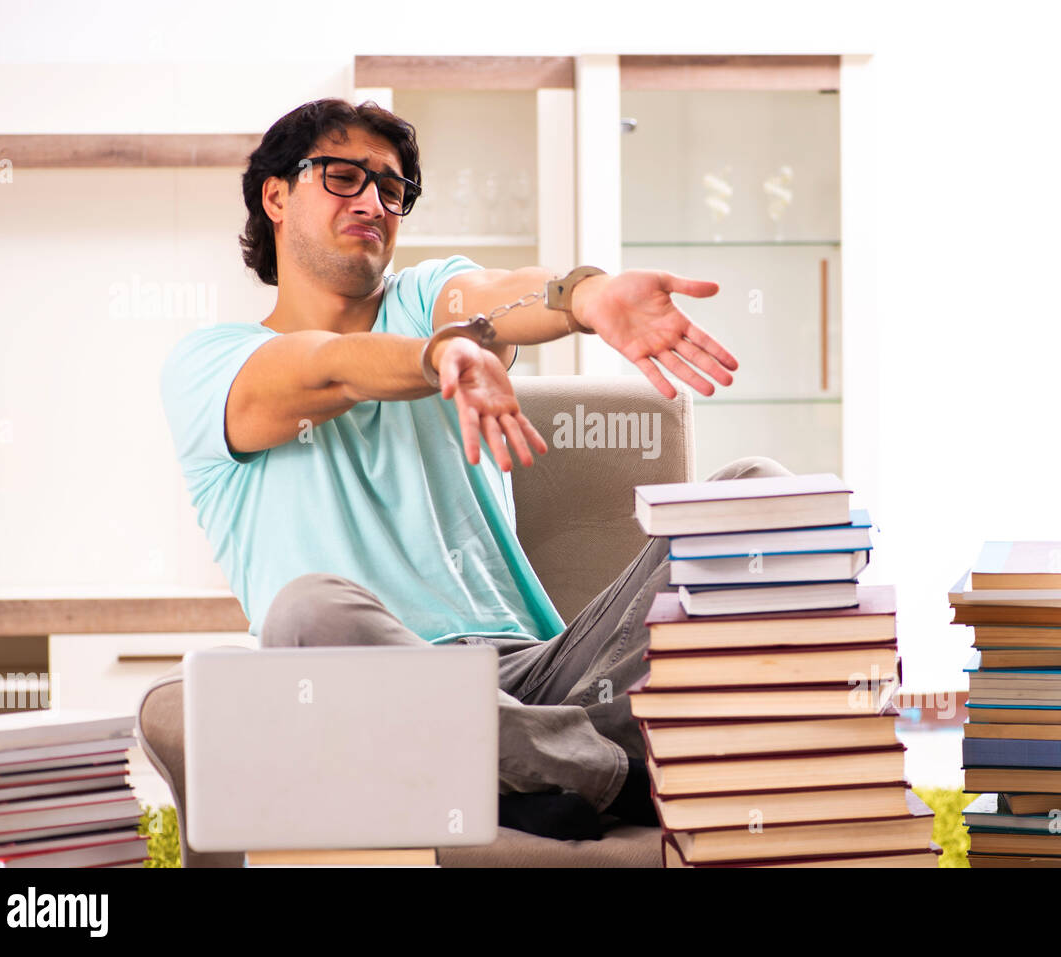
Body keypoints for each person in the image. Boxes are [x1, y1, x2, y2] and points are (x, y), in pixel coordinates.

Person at [160, 97, 792, 841]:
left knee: (762, 491)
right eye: (342, 176)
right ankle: (611, 776)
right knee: (304, 612)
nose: (372, 200)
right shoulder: (209, 363)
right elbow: (323, 367)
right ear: (275, 194)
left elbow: (496, 298)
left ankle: (521, 762)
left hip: (548, 681)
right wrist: (437, 356)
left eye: (390, 188)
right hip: (374, 692)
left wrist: (584, 295)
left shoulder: (429, 298)